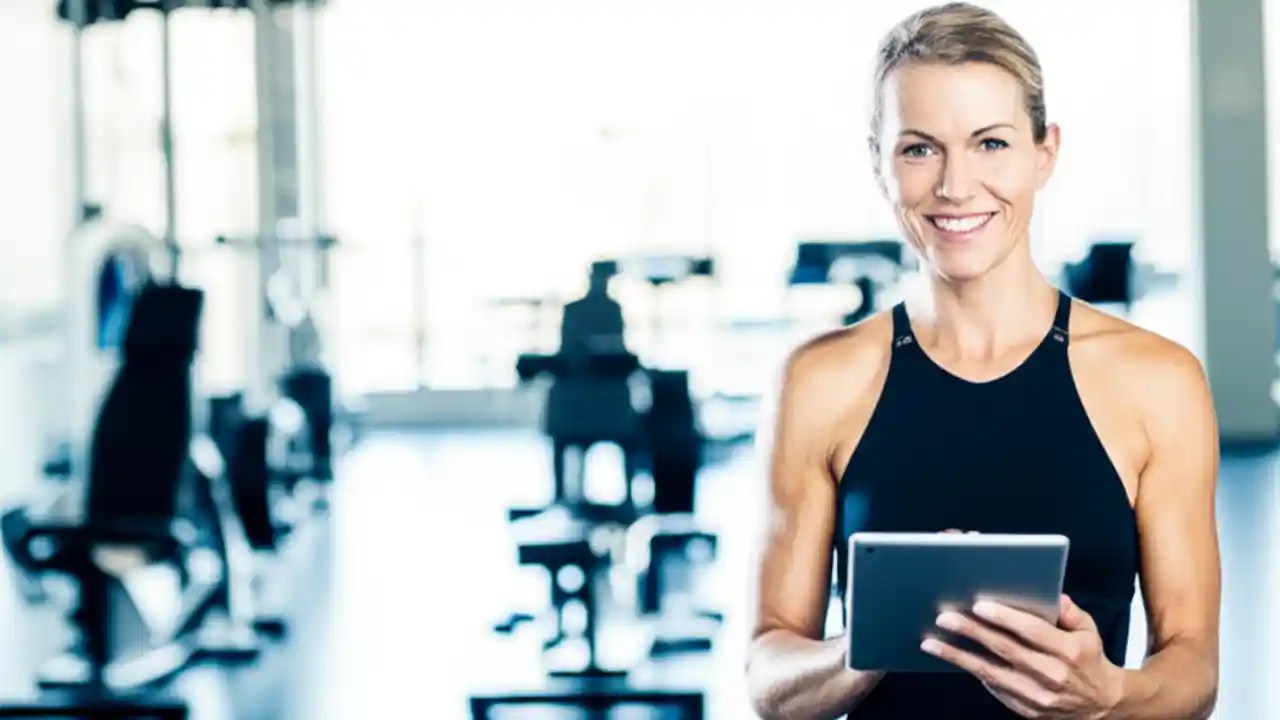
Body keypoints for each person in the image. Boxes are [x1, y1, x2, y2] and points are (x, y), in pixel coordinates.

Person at [745, 3, 1221, 719]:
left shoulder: (1158, 383)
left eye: (990, 143)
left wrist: (1110, 695)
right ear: (879, 163)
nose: (956, 186)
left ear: (1045, 153)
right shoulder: (819, 382)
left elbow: (1194, 669)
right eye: (919, 149)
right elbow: (769, 676)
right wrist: (874, 638)